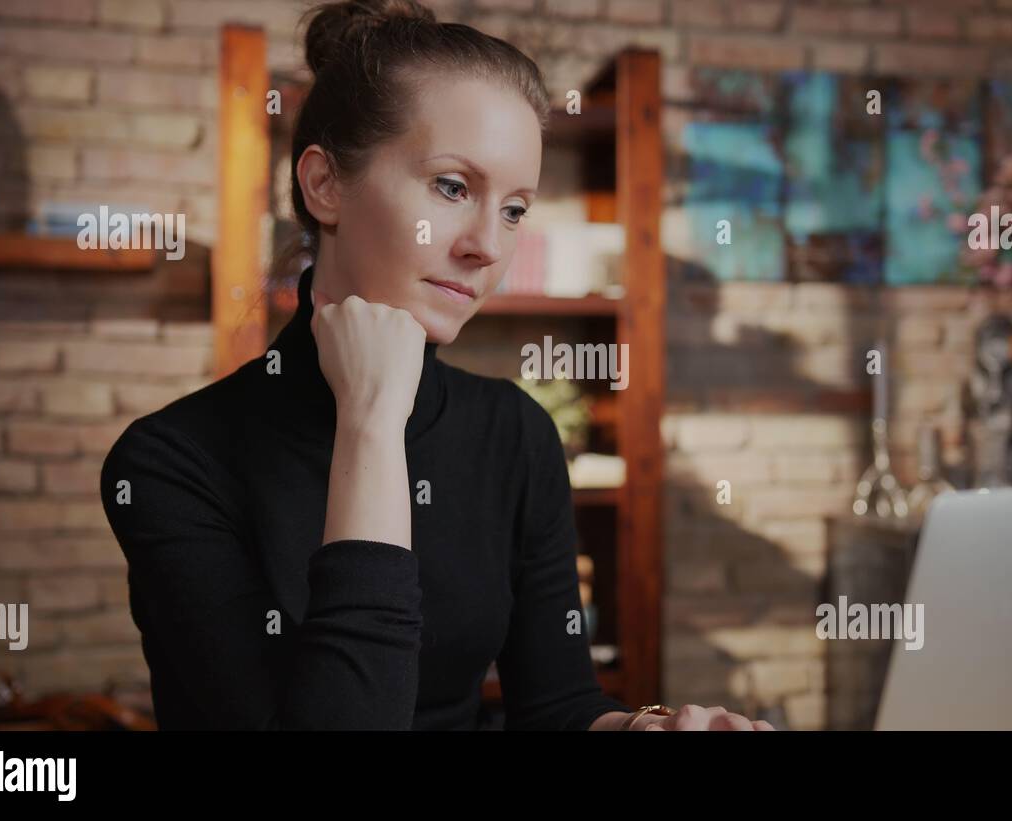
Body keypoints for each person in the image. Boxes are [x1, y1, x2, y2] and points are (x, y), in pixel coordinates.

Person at [101, 0, 773, 731]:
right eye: (453, 187)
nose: (488, 243)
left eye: (515, 209)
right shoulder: (168, 463)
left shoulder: (514, 434)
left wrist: (642, 727)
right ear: (325, 185)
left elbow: (557, 705)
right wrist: (370, 424)